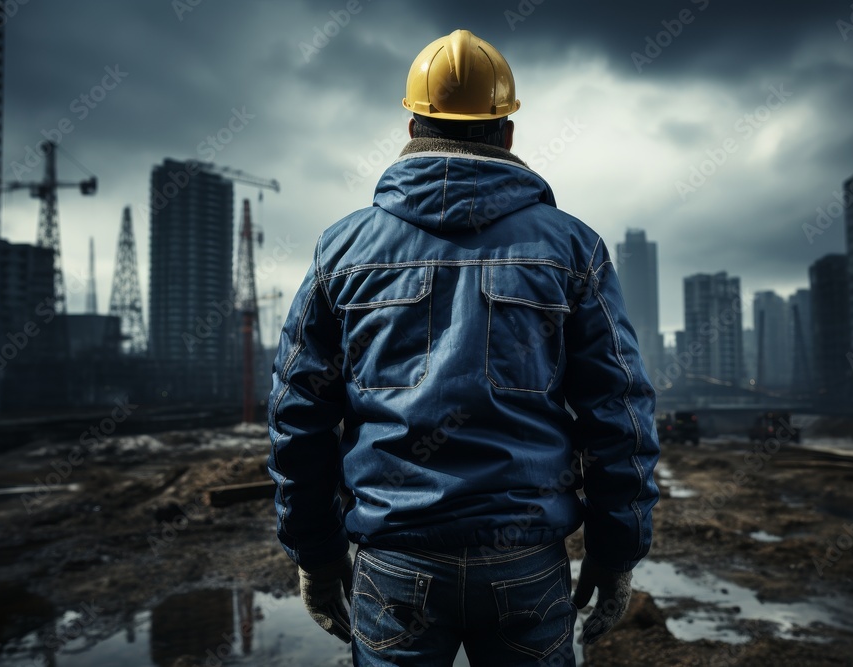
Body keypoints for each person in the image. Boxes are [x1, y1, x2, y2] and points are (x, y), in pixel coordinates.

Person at [267, 28, 660, 667]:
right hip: (525, 563)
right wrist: (616, 555)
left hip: (394, 556)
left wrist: (314, 552)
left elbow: (297, 415)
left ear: (414, 125)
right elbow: (619, 415)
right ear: (507, 132)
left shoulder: (341, 252)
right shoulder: (571, 249)